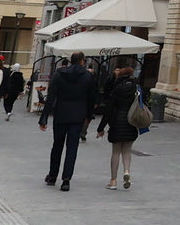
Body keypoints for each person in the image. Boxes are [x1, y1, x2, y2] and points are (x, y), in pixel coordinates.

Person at [39, 51, 99, 190]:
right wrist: (89, 116)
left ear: (71, 60)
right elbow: (92, 99)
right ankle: (66, 179)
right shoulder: (88, 76)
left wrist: (44, 118)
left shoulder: (59, 74)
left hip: (61, 113)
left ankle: (53, 175)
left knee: (57, 146)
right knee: (72, 148)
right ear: (82, 61)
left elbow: (51, 97)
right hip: (78, 115)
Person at [102, 57, 142, 190]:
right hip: (131, 122)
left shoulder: (117, 89)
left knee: (115, 152)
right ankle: (127, 172)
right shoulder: (136, 88)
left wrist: (101, 127)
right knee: (127, 151)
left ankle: (113, 180)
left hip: (117, 122)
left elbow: (108, 109)